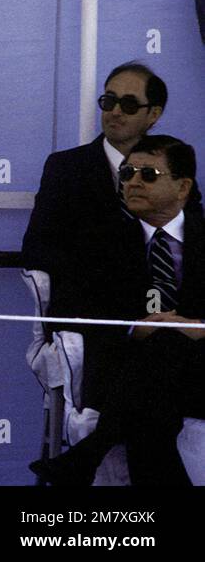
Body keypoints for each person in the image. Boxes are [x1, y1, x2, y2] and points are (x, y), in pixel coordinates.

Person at [30, 135, 204, 486]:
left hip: (200, 368)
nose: (134, 182)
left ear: (183, 187)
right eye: (127, 173)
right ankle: (92, 455)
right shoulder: (99, 242)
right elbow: (71, 310)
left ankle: (90, 451)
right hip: (127, 364)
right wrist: (133, 328)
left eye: (148, 174)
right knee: (157, 380)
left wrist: (197, 327)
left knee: (167, 348)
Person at [20, 63, 196, 406]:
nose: (115, 112)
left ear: (153, 114)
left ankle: (91, 453)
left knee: (169, 349)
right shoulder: (66, 168)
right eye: (109, 101)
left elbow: (193, 240)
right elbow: (37, 249)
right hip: (96, 312)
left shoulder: (173, 166)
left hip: (168, 308)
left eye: (129, 105)